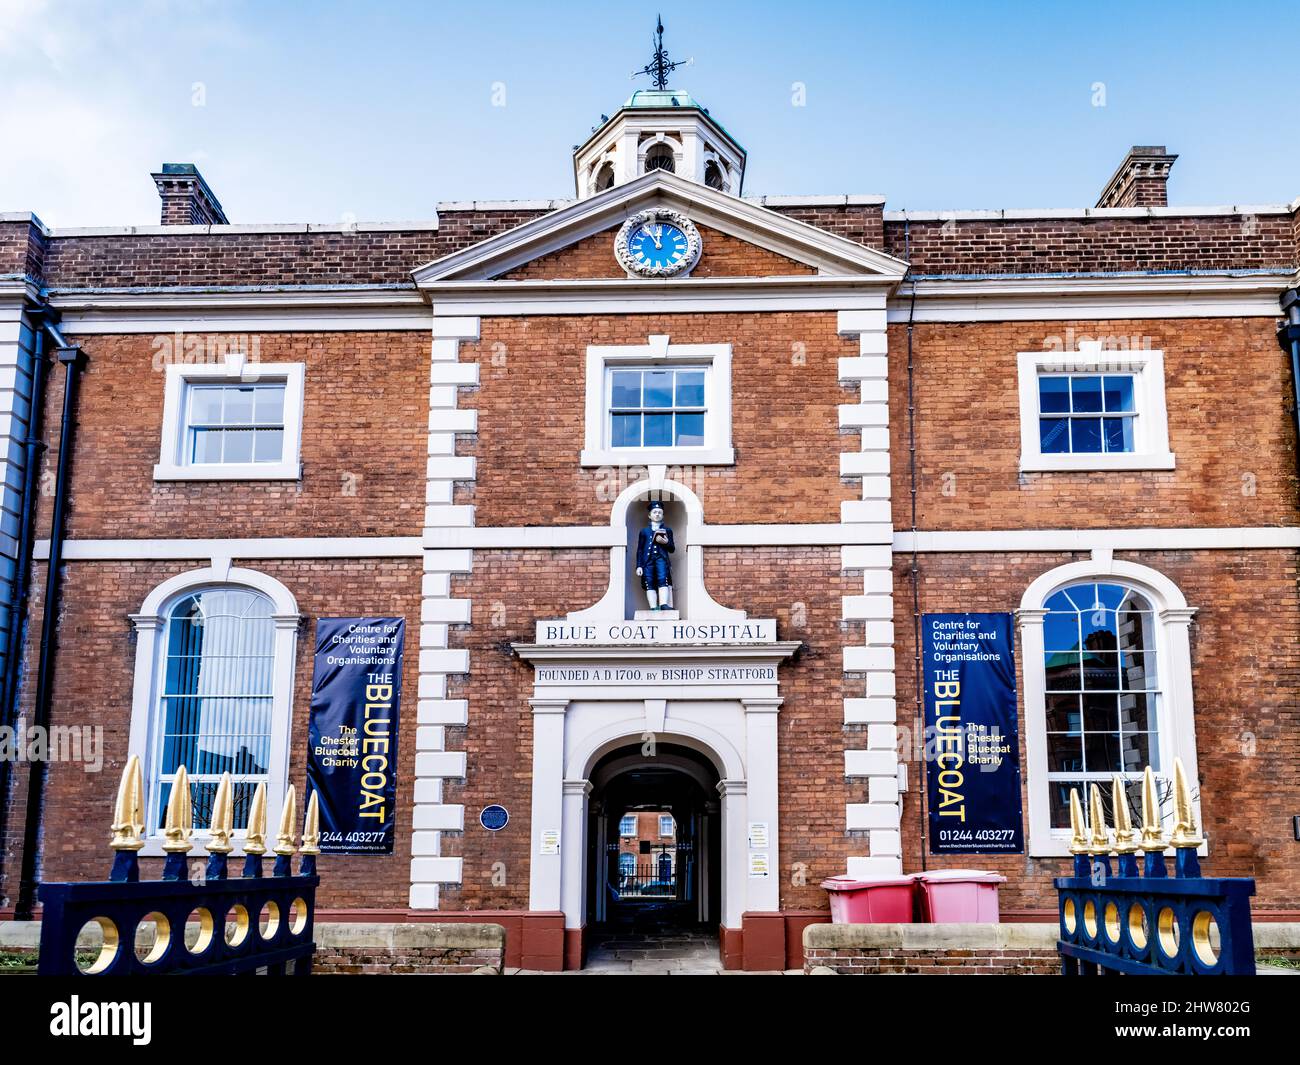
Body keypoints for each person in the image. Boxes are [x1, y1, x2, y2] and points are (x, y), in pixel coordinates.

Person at [635, 500, 675, 611]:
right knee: (649, 582)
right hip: (647, 561)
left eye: (659, 512)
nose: (657, 514)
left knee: (663, 579)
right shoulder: (644, 532)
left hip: (661, 559)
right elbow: (640, 550)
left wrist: (666, 542)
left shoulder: (668, 530)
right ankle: (653, 607)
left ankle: (663, 604)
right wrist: (639, 566)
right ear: (649, 515)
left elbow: (672, 549)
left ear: (663, 515)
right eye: (655, 512)